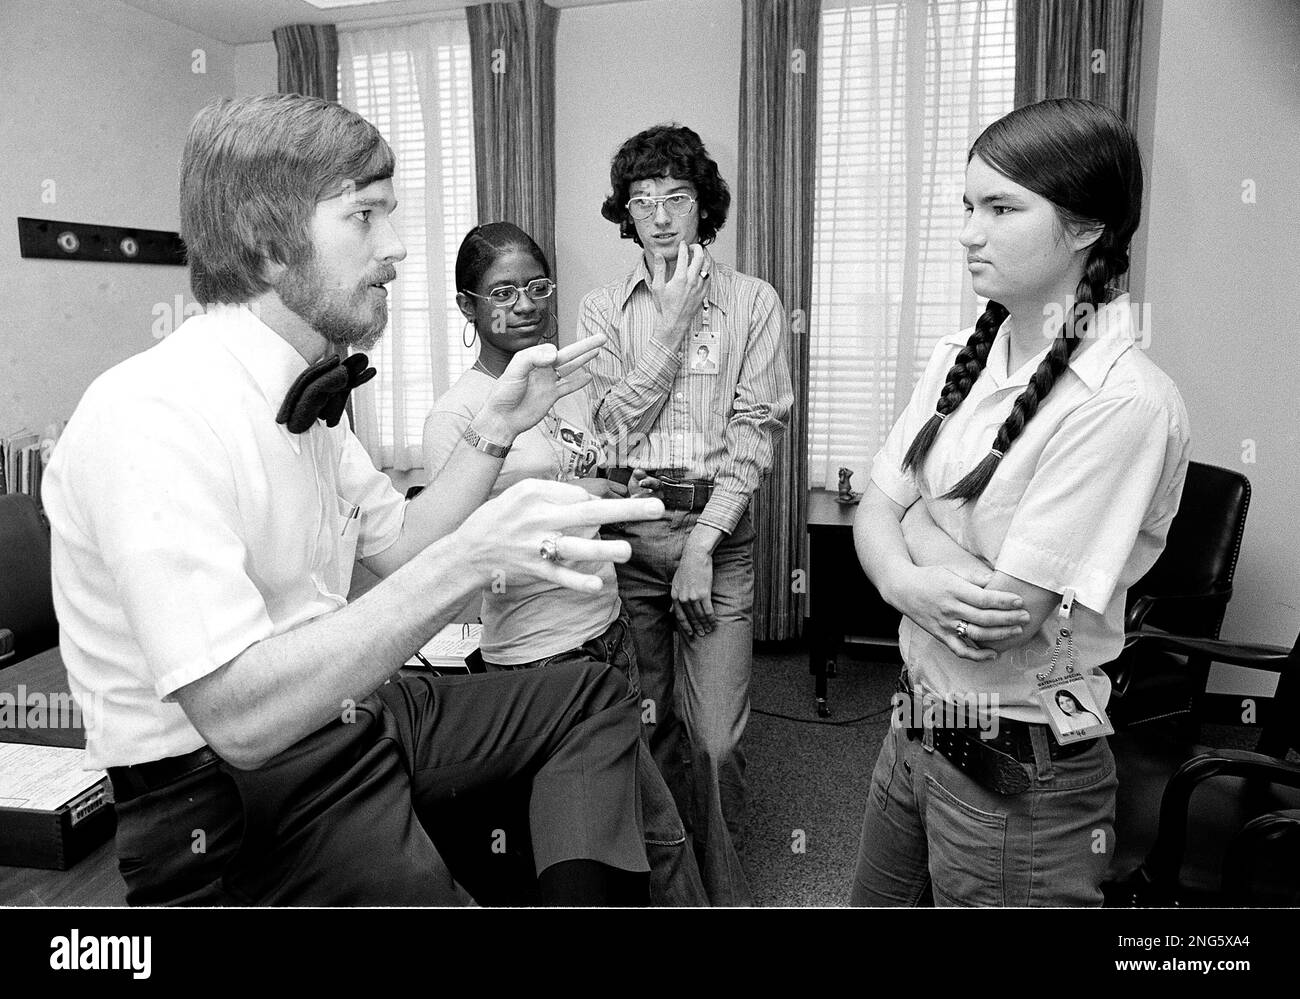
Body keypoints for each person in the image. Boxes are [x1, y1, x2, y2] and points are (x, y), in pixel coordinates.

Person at [41, 93, 666, 907]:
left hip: (351, 707)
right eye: (365, 216)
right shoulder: (149, 414)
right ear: (268, 246)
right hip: (230, 789)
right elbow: (238, 715)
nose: (398, 247)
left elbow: (402, 544)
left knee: (589, 694)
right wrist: (474, 554)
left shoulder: (307, 396)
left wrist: (497, 429)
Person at [849, 98, 1191, 907]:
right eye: (968, 205)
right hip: (917, 722)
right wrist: (906, 576)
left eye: (1002, 208)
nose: (970, 231)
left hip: (1021, 763)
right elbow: (870, 506)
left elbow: (999, 615)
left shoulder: (1122, 400)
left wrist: (916, 522)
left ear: (1084, 228)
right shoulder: (957, 355)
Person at [421, 221, 707, 905]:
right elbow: (458, 545)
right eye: (503, 291)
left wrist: (615, 491)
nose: (525, 303)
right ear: (468, 306)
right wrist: (583, 498)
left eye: (537, 287)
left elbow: (587, 467)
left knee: (623, 830)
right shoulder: (457, 415)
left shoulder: (562, 387)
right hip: (544, 657)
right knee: (653, 830)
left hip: (607, 630)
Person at [579, 124, 794, 904]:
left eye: (676, 197)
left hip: (718, 539)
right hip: (630, 538)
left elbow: (755, 429)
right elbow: (607, 428)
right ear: (626, 216)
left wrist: (704, 542)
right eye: (642, 201)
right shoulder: (603, 308)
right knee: (648, 719)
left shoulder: (753, 303)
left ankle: (726, 894)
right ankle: (676, 883)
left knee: (715, 737)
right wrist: (667, 327)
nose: (660, 215)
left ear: (705, 208)